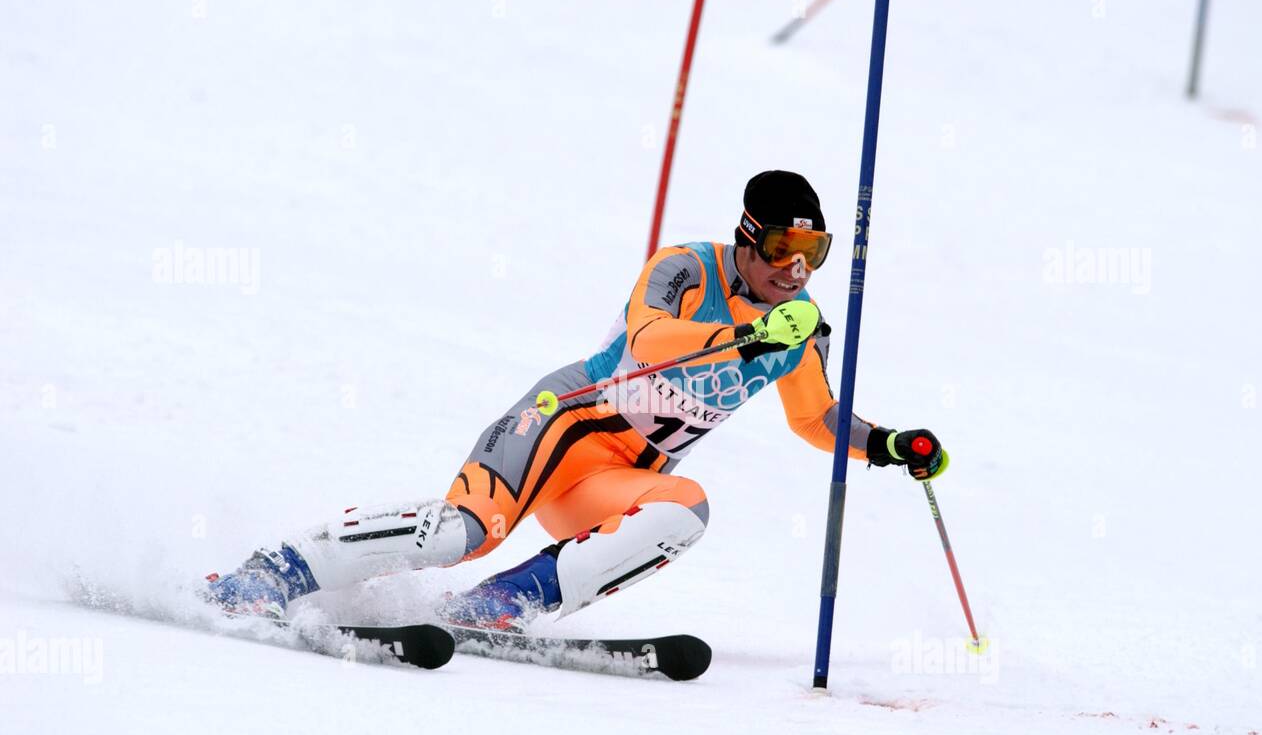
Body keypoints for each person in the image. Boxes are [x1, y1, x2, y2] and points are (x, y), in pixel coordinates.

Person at [207, 170, 947, 629]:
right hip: (562, 422)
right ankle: (274, 571)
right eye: (785, 247)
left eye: (812, 254)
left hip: (612, 474)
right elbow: (649, 334)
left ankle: (501, 605)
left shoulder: (801, 326)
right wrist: (751, 333)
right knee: (466, 530)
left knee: (685, 508)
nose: (796, 269)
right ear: (749, 238)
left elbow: (813, 417)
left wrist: (886, 444)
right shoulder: (687, 265)